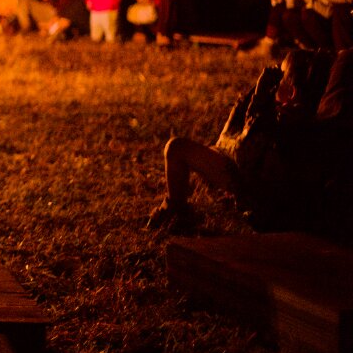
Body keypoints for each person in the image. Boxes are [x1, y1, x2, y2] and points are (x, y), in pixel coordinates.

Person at [148, 48, 353, 239]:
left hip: (246, 182)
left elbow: (245, 151)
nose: (274, 84)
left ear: (291, 92)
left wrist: (259, 96)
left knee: (176, 148)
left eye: (279, 78)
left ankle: (176, 210)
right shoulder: (302, 117)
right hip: (245, 168)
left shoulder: (284, 120)